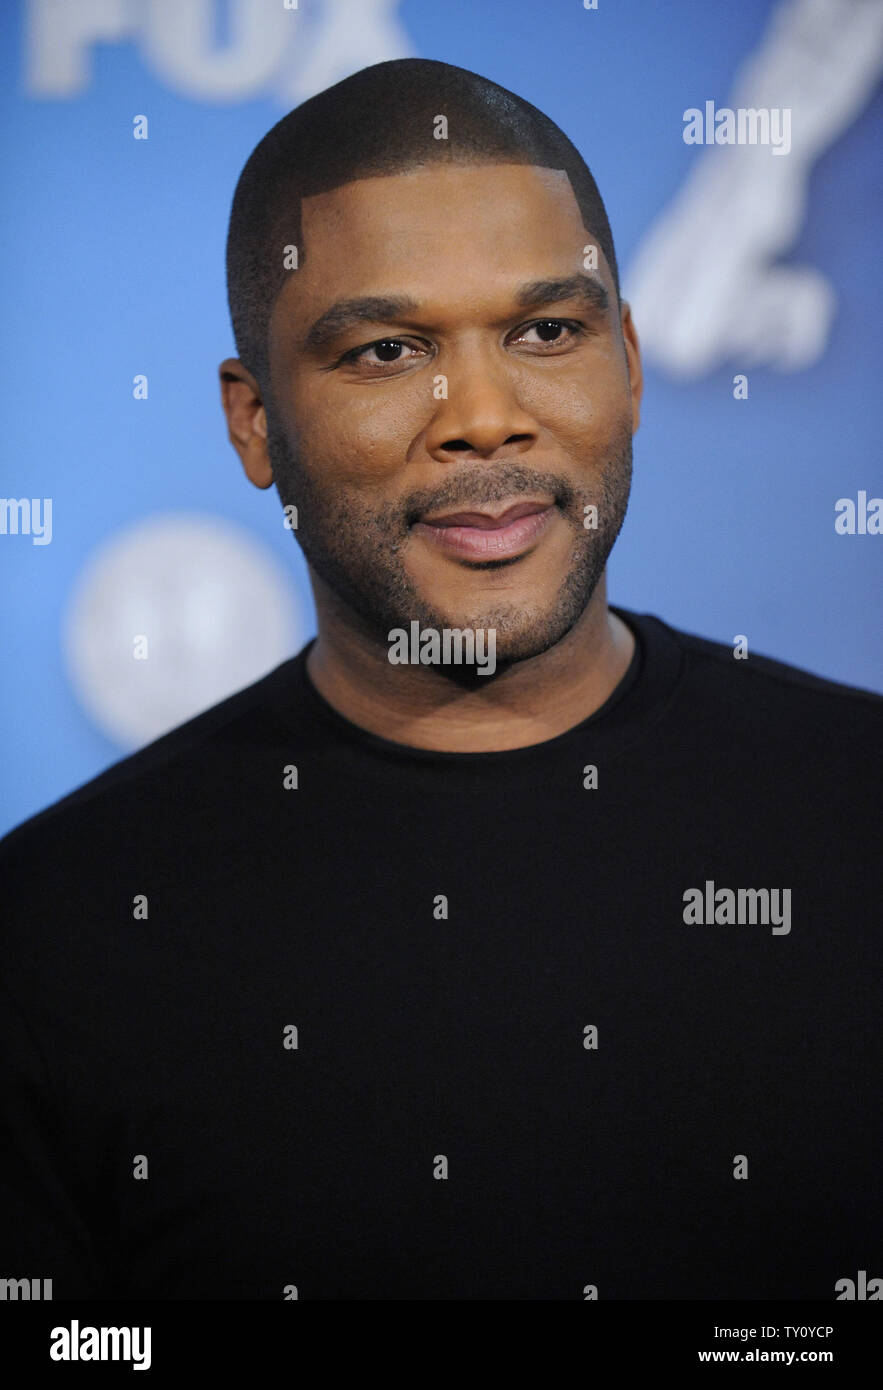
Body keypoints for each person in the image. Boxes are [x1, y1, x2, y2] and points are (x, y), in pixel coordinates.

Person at [1, 58, 880, 1302]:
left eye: (545, 332)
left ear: (627, 366)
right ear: (255, 426)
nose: (480, 415)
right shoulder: (51, 935)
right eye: (385, 349)